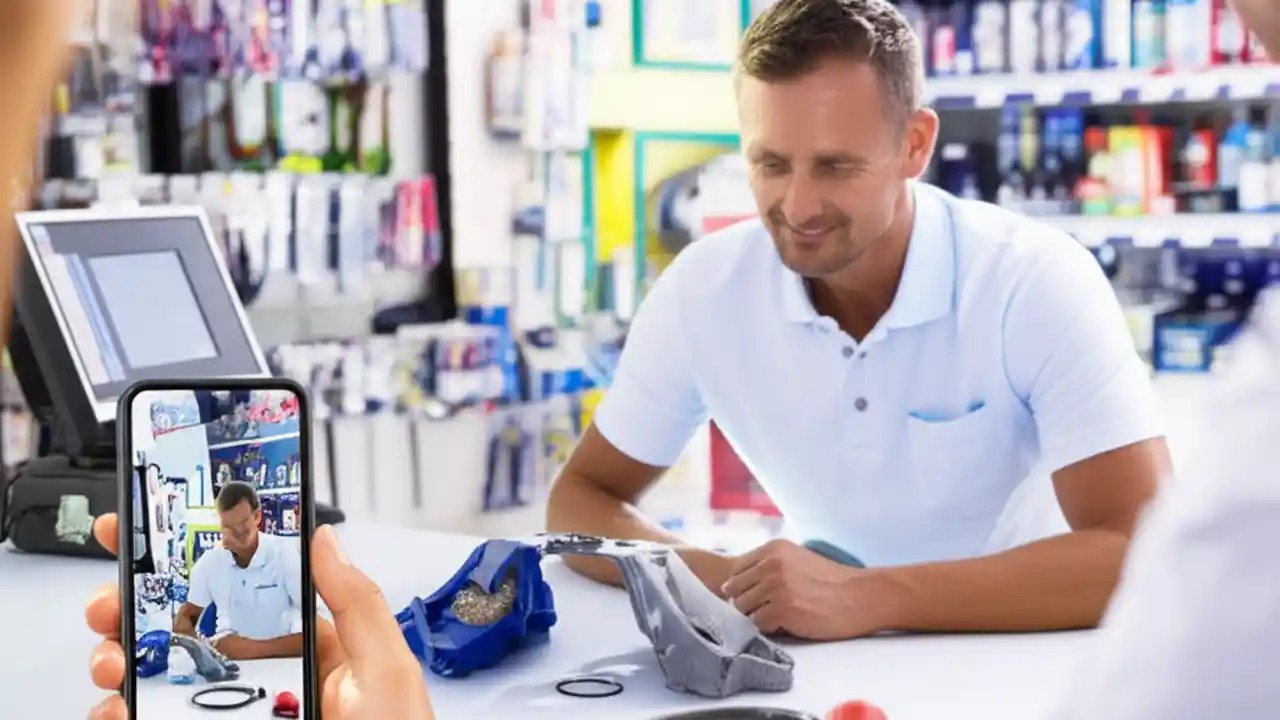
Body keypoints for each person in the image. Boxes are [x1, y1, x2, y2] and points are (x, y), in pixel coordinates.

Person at [546, 0, 1172, 641]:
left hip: (1024, 665)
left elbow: (1144, 551)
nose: (798, 205)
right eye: (770, 164)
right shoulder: (702, 291)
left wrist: (869, 598)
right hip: (830, 667)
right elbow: (580, 500)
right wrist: (733, 580)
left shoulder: (1033, 280)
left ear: (915, 144)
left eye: (835, 166)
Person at [86, 514, 435, 720]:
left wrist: (245, 646)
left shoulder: (281, 565)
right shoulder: (213, 569)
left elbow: (301, 638)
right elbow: (192, 618)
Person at [172, 481, 304, 659]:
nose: (238, 533)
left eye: (243, 525)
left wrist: (248, 649)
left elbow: (320, 631)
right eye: (229, 528)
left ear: (257, 517)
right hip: (229, 665)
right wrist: (199, 651)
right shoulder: (209, 563)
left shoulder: (285, 555)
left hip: (281, 662)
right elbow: (187, 618)